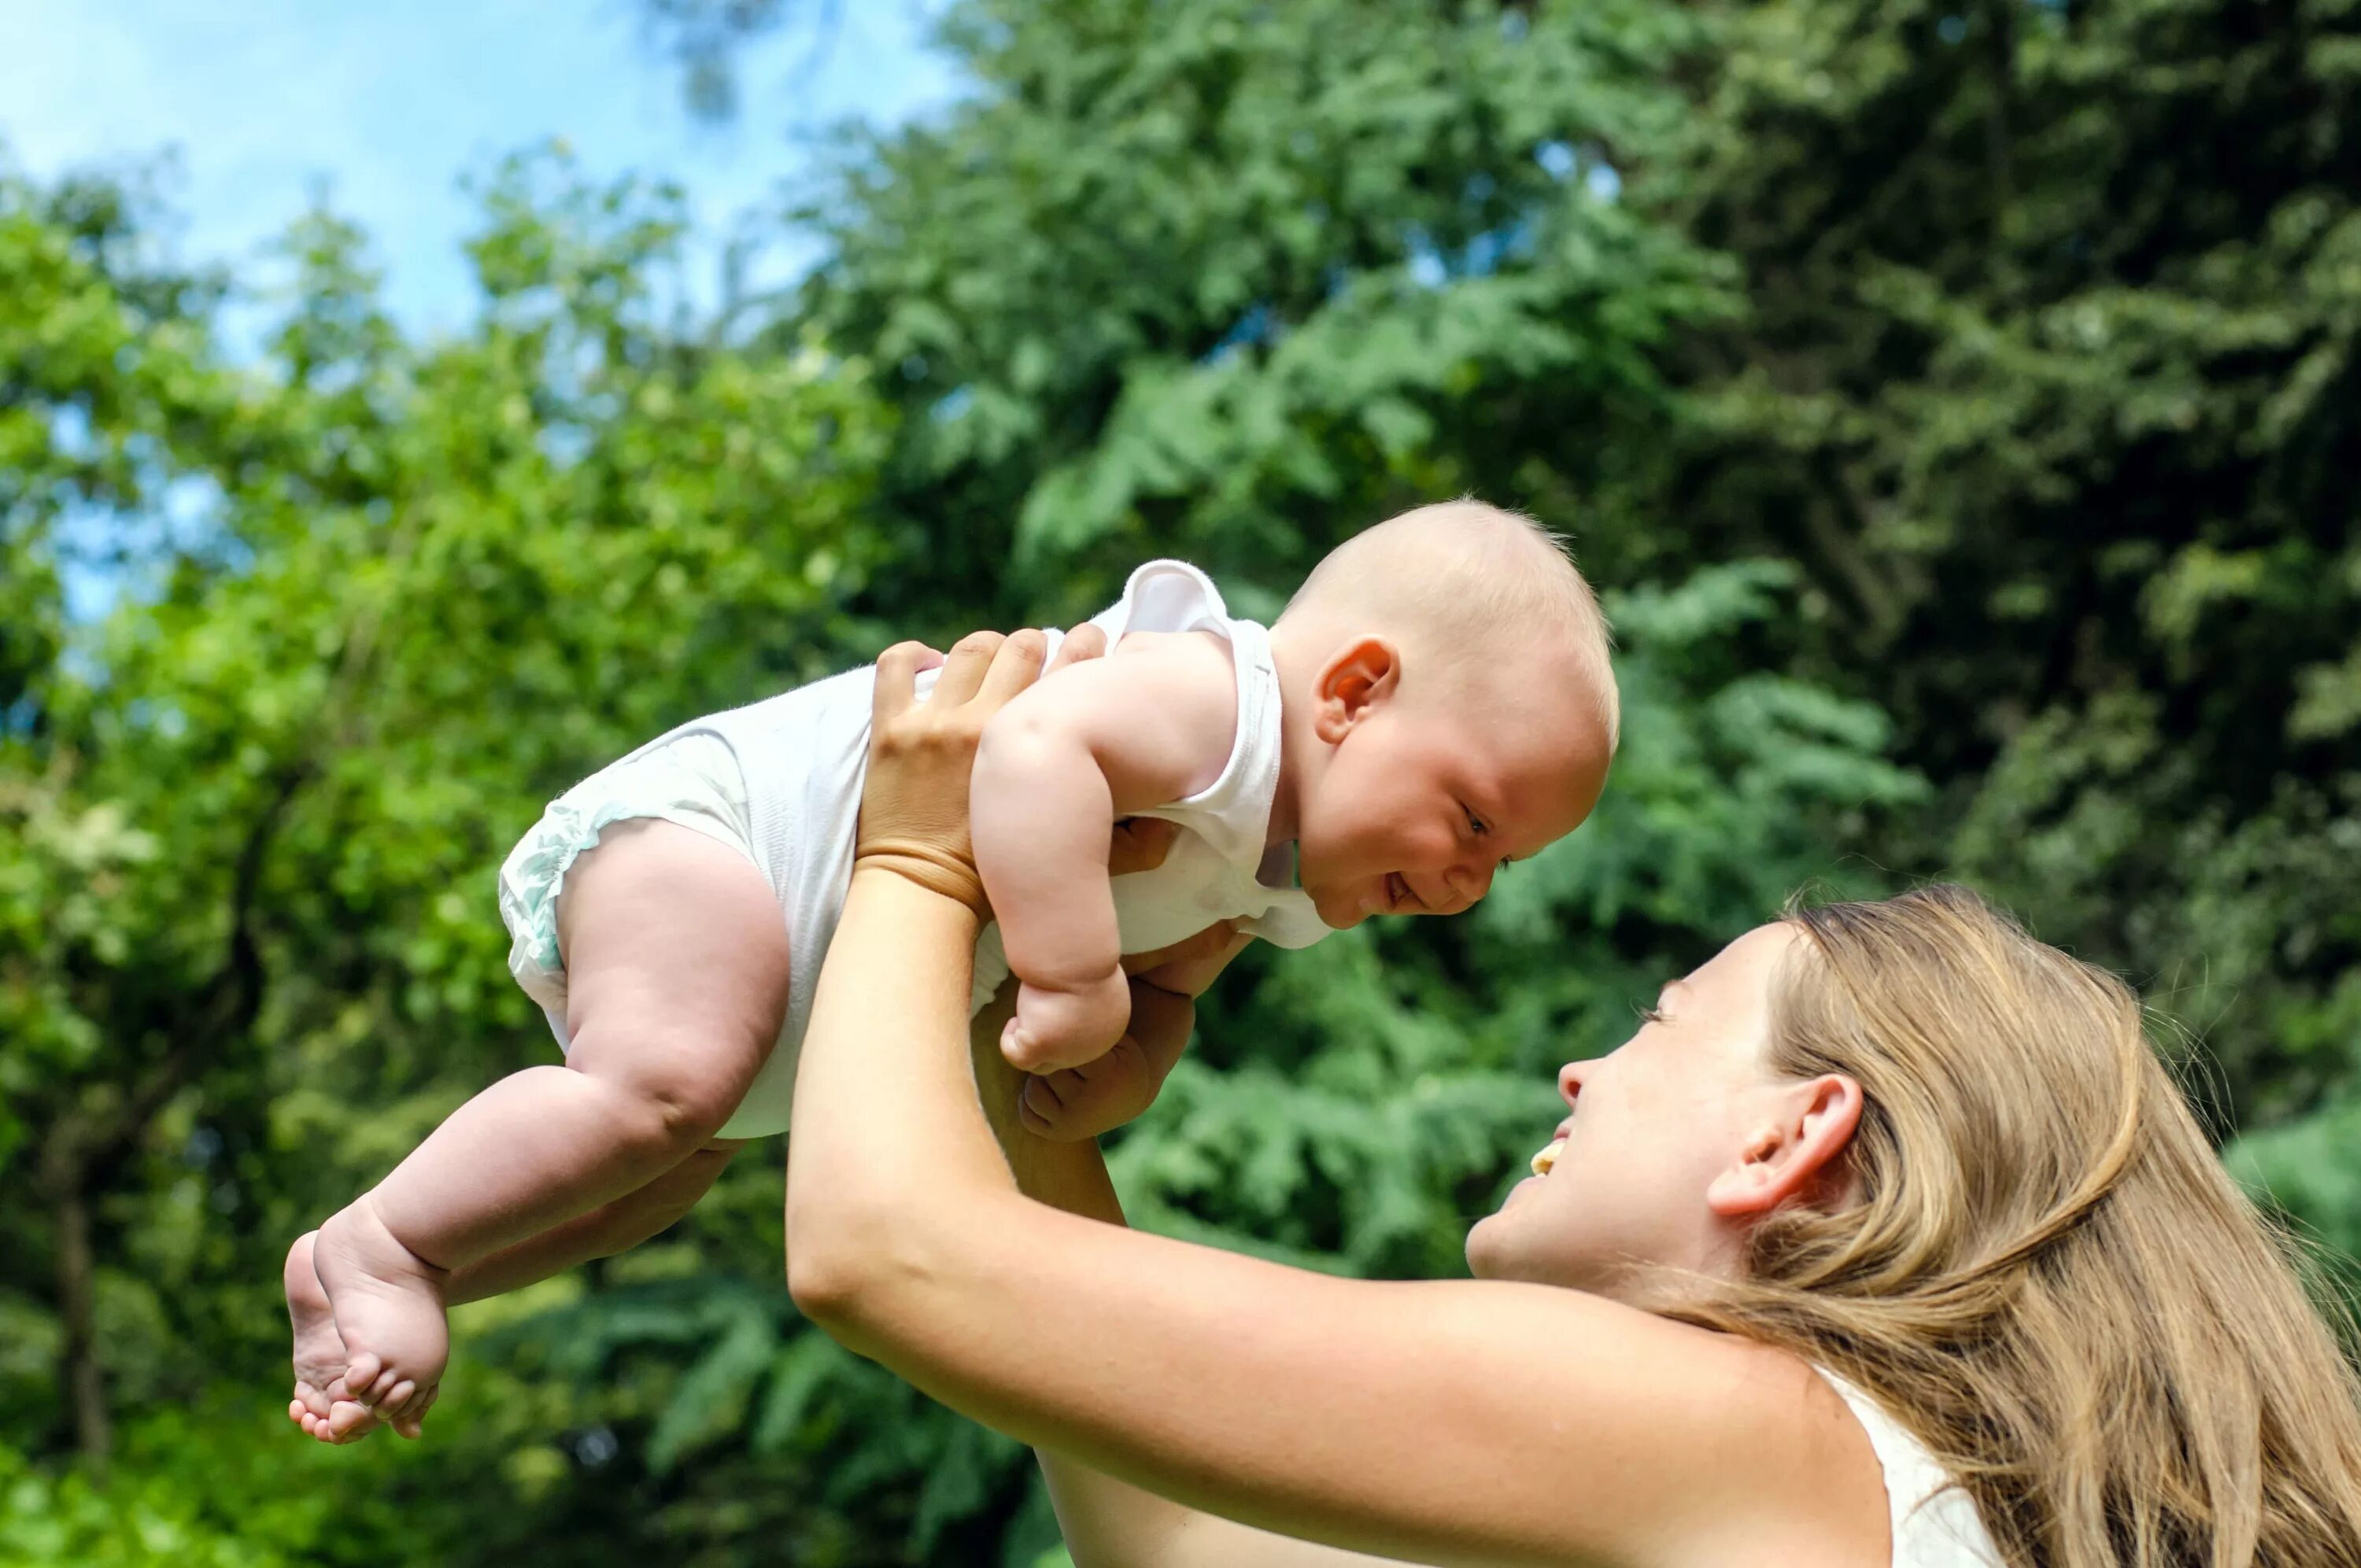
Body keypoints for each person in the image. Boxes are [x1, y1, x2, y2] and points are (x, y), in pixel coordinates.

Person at [784, 627, 2361, 1568]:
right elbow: (1203, 1547)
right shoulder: (1892, 1496)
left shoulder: (1754, 1435)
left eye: (1660, 1024)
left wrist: (917, 853)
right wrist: (1041, 1111)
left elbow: (887, 1250)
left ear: (1791, 1133)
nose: (1581, 1068)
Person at [283, 501, 1620, 1442]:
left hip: (788, 987)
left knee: (675, 1157)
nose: (1464, 885)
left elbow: (1174, 984)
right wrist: (1077, 972)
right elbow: (1039, 750)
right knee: (668, 1086)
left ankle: (426, 1271)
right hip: (725, 843)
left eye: (1503, 865)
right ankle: (385, 1238)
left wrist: (1125, 1057)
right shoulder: (1225, 707)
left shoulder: (1285, 879)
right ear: (1354, 691)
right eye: (1472, 821)